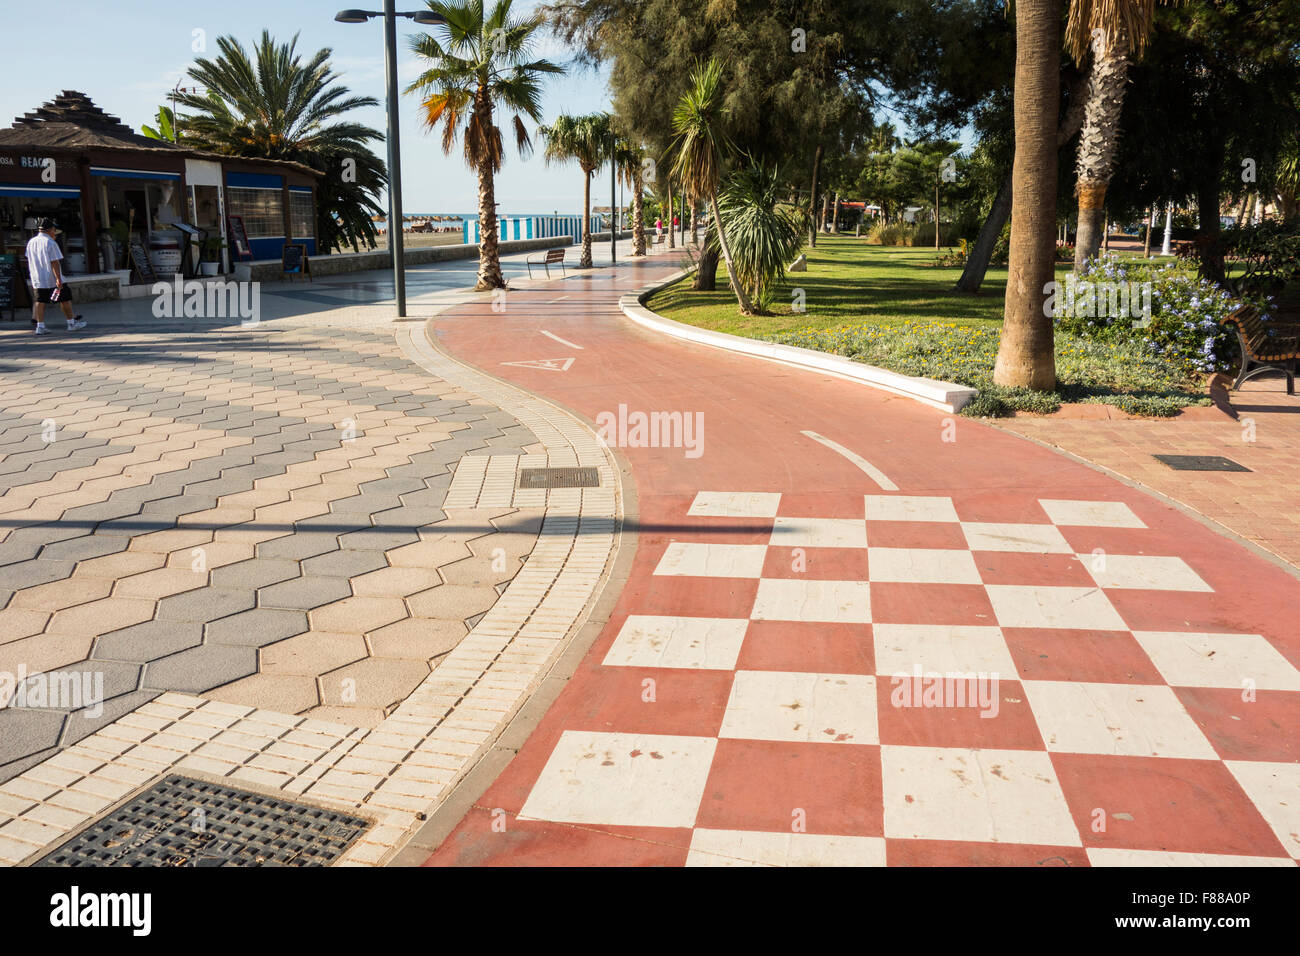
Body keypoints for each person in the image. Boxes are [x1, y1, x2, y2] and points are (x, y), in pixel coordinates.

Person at [26, 219, 86, 335]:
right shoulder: (50, 243)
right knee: (65, 300)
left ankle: (40, 326)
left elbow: (29, 259)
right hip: (51, 278)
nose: (54, 233)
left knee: (40, 301)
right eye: (54, 230)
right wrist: (58, 278)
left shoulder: (31, 242)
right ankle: (71, 323)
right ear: (50, 230)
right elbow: (54, 262)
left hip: (37, 278)